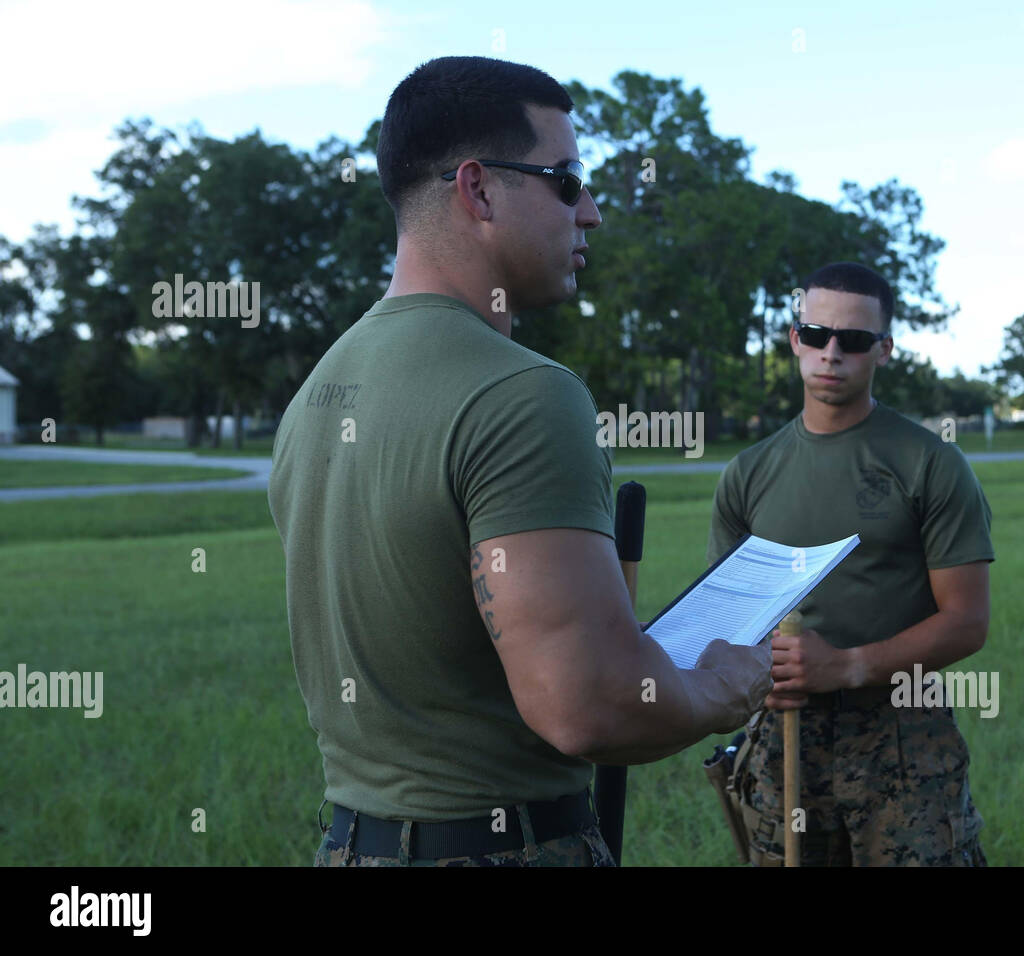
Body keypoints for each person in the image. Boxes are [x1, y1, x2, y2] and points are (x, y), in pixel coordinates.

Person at [268, 55, 770, 868]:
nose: (593, 213)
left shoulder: (319, 391)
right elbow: (589, 706)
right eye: (568, 180)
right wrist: (724, 684)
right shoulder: (524, 395)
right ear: (479, 189)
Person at [707, 261, 994, 866]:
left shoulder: (929, 464)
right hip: (784, 743)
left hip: (902, 743)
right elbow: (727, 622)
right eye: (816, 335)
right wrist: (760, 675)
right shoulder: (748, 474)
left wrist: (848, 665)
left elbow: (967, 621)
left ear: (883, 349)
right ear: (795, 339)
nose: (831, 352)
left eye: (854, 340)